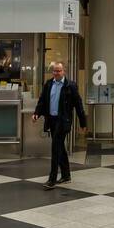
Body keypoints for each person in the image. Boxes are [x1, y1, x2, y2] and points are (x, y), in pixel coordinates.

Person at [32, 62, 87, 191]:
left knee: (55, 147)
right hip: (51, 120)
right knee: (60, 147)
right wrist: (36, 113)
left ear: (64, 72)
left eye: (59, 71)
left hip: (63, 121)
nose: (56, 73)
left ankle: (52, 179)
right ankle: (66, 175)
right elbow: (42, 101)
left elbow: (79, 106)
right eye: (54, 71)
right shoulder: (49, 84)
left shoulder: (70, 86)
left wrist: (83, 123)